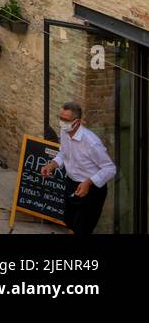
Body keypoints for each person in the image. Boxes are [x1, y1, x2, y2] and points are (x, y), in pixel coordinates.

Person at [40, 101, 117, 235]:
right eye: (60, 118)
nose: (62, 122)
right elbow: (63, 153)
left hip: (91, 189)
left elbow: (110, 169)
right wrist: (52, 165)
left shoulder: (92, 143)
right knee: (69, 221)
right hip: (72, 183)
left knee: (82, 228)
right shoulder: (64, 132)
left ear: (77, 122)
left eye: (66, 120)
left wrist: (88, 182)